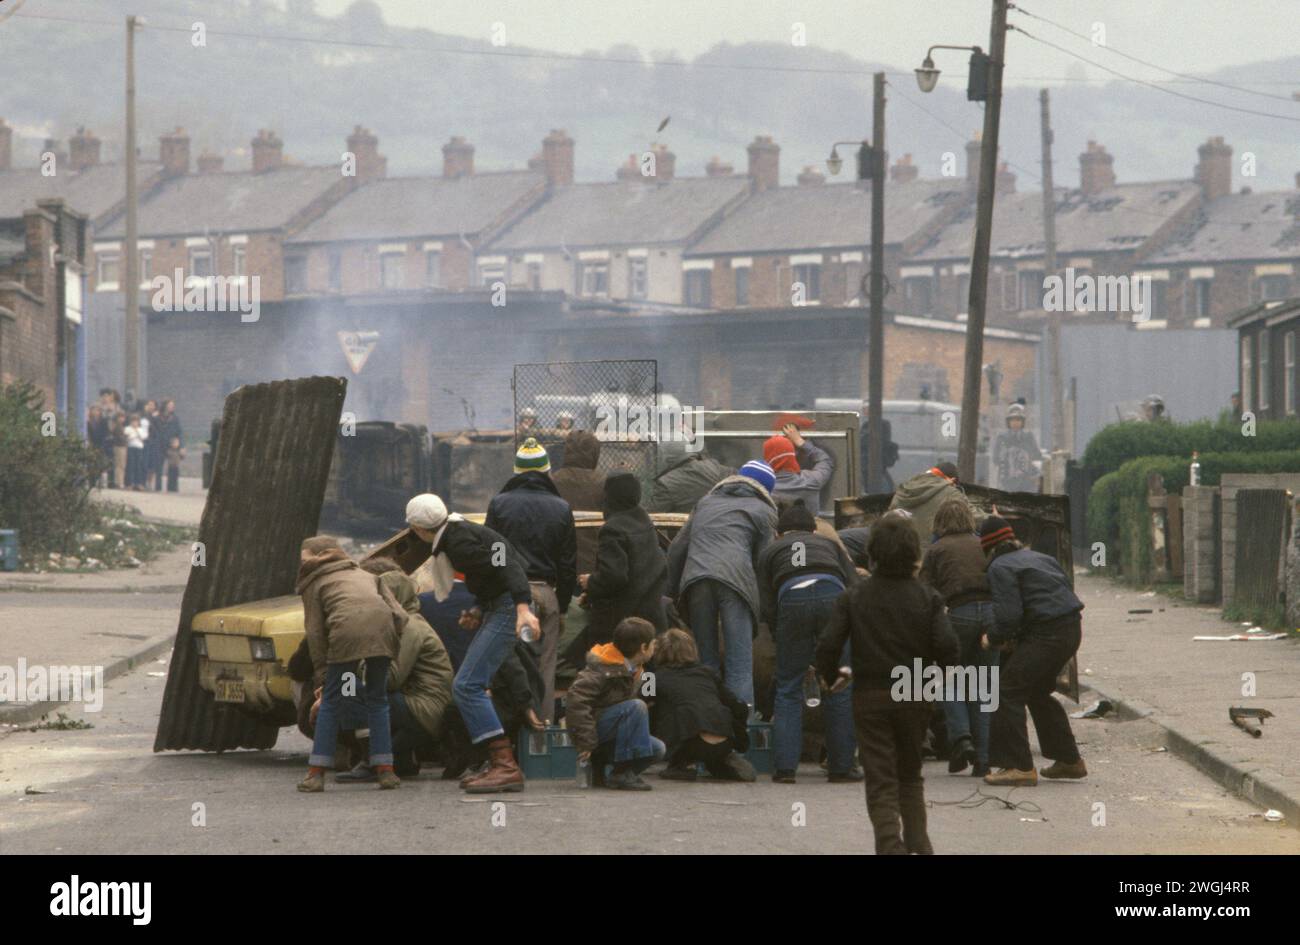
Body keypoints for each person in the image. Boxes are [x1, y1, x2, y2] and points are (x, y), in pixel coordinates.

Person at [817, 516, 959, 855]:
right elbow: (948, 647)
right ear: (914, 553)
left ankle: (889, 847)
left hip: (870, 695)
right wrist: (939, 676)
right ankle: (920, 846)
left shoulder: (854, 597)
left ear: (872, 553)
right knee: (910, 774)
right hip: (914, 692)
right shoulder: (928, 597)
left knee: (881, 779)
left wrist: (832, 675)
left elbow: (827, 645)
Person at [404, 493, 538, 793]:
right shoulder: (459, 531)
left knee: (467, 686)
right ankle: (499, 763)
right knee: (470, 684)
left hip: (507, 608)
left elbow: (507, 563)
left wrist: (522, 607)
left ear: (417, 528)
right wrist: (478, 610)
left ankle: (504, 765)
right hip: (498, 606)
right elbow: (496, 569)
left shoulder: (458, 543)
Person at [978, 515, 1087, 786]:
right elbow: (1057, 592)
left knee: (1006, 690)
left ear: (988, 548)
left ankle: (1019, 767)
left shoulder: (999, 567)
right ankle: (1069, 761)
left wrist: (992, 639)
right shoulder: (1040, 558)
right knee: (1037, 691)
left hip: (1047, 634)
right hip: (1071, 629)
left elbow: (1009, 615)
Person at [757, 500, 860, 784]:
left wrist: (783, 639)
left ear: (779, 533)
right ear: (813, 531)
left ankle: (785, 769)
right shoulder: (830, 546)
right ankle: (841, 767)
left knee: (789, 686)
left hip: (792, 599)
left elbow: (766, 604)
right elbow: (855, 588)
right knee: (838, 685)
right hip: (833, 595)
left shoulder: (770, 551)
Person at [295, 536, 408, 793]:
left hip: (344, 635)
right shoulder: (365, 575)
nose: (301, 564)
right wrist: (391, 642)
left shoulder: (315, 582)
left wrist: (322, 674)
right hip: (383, 632)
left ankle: (315, 774)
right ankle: (386, 772)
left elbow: (314, 632)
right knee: (377, 701)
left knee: (331, 703)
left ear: (320, 556)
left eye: (304, 559)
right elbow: (400, 615)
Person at [328, 559, 456, 780]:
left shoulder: (409, 627)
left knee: (348, 689)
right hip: (419, 706)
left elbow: (390, 679)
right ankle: (400, 760)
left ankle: (371, 760)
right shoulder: (406, 623)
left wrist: (358, 659)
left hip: (423, 711)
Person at [666, 460, 778, 706]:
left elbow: (677, 548)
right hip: (736, 585)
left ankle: (708, 728)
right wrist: (770, 606)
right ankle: (742, 735)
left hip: (696, 581)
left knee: (706, 663)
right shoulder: (764, 511)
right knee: (739, 667)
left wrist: (668, 592)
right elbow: (766, 561)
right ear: (765, 489)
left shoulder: (705, 502)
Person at [484, 438, 577, 725]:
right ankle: (542, 737)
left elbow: (491, 555)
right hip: (545, 591)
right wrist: (560, 607)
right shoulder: (562, 508)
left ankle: (507, 740)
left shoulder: (499, 504)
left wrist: (489, 596)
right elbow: (567, 565)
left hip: (508, 596)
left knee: (504, 666)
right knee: (544, 669)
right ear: (547, 471)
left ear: (516, 472)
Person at [919, 498, 996, 777]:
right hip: (990, 616)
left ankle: (962, 738)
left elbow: (924, 592)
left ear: (939, 522)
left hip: (958, 613)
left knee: (947, 678)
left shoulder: (936, 549)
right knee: (983, 687)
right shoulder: (984, 544)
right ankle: (985, 760)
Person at [565, 616, 663, 790]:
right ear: (643, 647)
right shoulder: (602, 666)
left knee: (658, 748)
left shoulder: (637, 669)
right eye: (653, 644)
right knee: (636, 707)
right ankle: (621, 772)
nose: (655, 648)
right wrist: (586, 742)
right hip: (595, 733)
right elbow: (576, 700)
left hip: (613, 731)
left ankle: (618, 773)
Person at [650, 628, 755, 782]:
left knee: (668, 711)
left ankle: (679, 765)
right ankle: (721, 759)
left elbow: (645, 706)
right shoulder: (707, 672)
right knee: (701, 716)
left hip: (688, 741)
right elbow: (738, 706)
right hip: (725, 738)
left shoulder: (651, 677)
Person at [578, 471, 667, 645]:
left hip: (620, 623)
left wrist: (590, 583)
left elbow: (614, 576)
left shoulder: (613, 529)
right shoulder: (644, 522)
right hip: (650, 614)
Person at [550, 429, 605, 567]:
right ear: (595, 452)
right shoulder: (604, 482)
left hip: (558, 561)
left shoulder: (553, 481)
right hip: (596, 561)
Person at [764, 423, 836, 517]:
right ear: (792, 456)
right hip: (810, 531)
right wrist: (800, 442)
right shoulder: (810, 481)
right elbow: (825, 460)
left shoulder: (763, 488)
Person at [889, 461, 966, 545]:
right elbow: (976, 519)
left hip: (902, 553)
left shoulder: (903, 490)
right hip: (933, 555)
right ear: (952, 480)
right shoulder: (951, 493)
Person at [648, 442, 733, 513]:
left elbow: (654, 515)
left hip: (686, 531)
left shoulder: (666, 483)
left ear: (666, 458)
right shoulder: (715, 466)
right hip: (724, 522)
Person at [993, 404, 1041, 493]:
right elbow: (995, 459)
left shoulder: (1028, 437)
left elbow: (1037, 455)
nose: (1015, 423)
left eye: (1018, 420)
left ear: (1022, 422)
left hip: (1026, 482)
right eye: (1012, 420)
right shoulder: (1002, 438)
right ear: (1008, 422)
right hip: (1006, 482)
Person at [124, 413, 147, 490]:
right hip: (131, 448)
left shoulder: (140, 429)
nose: (135, 423)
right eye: (133, 421)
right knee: (131, 465)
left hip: (139, 448)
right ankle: (129, 483)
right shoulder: (127, 428)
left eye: (136, 421)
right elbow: (128, 438)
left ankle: (138, 483)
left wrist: (136, 432)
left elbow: (143, 437)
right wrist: (134, 435)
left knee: (138, 466)